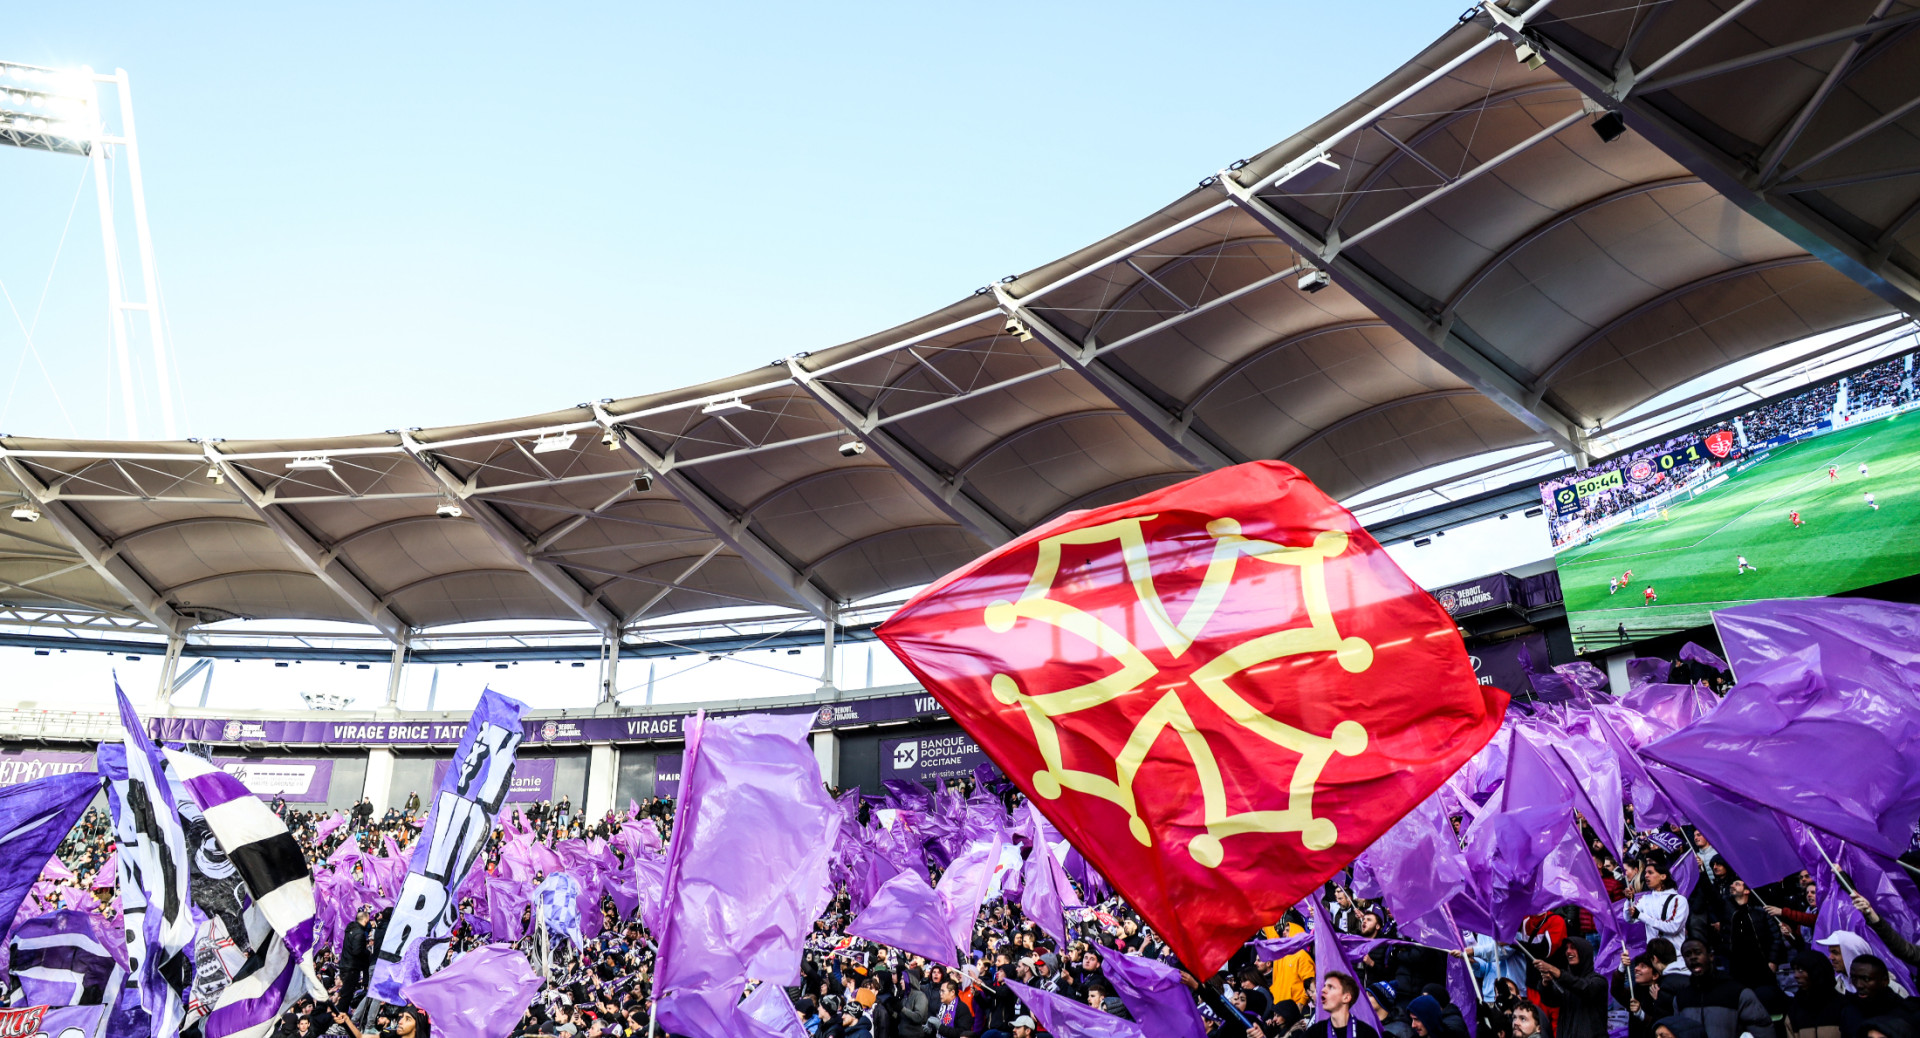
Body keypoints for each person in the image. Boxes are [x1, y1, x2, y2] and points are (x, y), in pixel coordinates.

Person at [1668, 938, 1770, 1038]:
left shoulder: (1737, 993)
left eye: (1698, 952)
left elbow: (1761, 1029)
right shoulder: (1681, 998)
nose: (1693, 958)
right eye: (1687, 955)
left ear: (1711, 956)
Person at [1536, 937, 1607, 1038]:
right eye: (1567, 948)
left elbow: (1584, 988)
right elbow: (1551, 1000)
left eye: (1573, 947)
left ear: (1584, 952)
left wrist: (1558, 972)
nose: (1568, 951)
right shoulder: (1565, 981)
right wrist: (1546, 984)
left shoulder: (1599, 981)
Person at [1786, 948, 1844, 1038]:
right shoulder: (1794, 1010)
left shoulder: (1842, 1006)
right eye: (1795, 970)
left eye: (1801, 970)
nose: (1796, 975)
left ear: (1816, 972)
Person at [1631, 862, 1690, 946]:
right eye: (1645, 873)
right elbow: (1630, 919)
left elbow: (1673, 927)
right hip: (1654, 956)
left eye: (1650, 873)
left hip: (1675, 955)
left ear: (1663, 876)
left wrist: (1640, 915)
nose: (1646, 876)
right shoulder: (1645, 899)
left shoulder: (1679, 900)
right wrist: (1629, 899)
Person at [1309, 973, 1380, 1038]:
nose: (1323, 990)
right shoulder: (1314, 1033)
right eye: (1324, 986)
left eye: (1331, 987)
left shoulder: (1368, 1034)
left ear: (1346, 998)